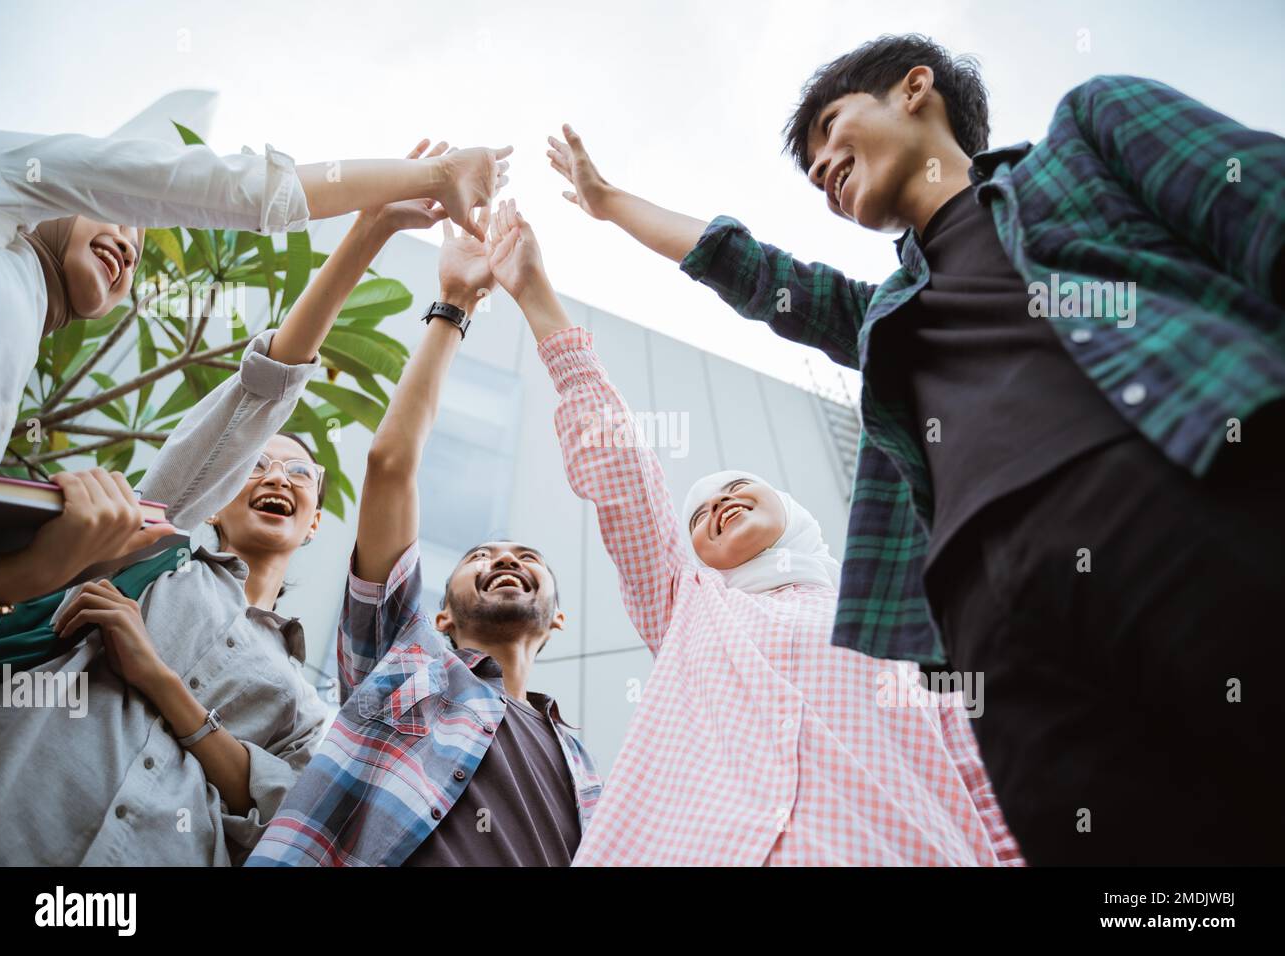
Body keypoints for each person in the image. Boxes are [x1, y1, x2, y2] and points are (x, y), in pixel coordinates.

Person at [544, 35, 1285, 864]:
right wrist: (607, 204)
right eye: (810, 163)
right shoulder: (883, 317)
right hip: (999, 634)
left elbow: (1267, 212)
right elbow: (755, 273)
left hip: (1180, 497)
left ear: (915, 89)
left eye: (830, 128)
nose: (822, 166)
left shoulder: (1086, 140)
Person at [475, 198, 1021, 866]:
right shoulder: (685, 604)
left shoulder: (898, 626)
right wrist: (535, 295)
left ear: (793, 516)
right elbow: (624, 473)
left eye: (737, 489)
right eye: (700, 514)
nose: (719, 504)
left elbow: (986, 786)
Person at [0, 143, 464, 864]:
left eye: (299, 476)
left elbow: (291, 808)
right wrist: (370, 232)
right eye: (257, 467)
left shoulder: (310, 703)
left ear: (314, 526)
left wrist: (159, 681)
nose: (276, 477)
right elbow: (262, 392)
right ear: (214, 496)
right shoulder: (155, 547)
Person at [0, 127, 510, 605]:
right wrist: (428, 180)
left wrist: (38, 568)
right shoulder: (2, 185)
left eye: (142, 243)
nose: (128, 242)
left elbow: (258, 401)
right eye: (118, 213)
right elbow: (219, 187)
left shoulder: (16, 338)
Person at [248, 206, 602, 868]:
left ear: (557, 621)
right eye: (481, 557)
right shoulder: (405, 661)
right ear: (438, 614)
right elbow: (390, 466)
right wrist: (455, 302)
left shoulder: (591, 773)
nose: (504, 558)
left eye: (527, 558)